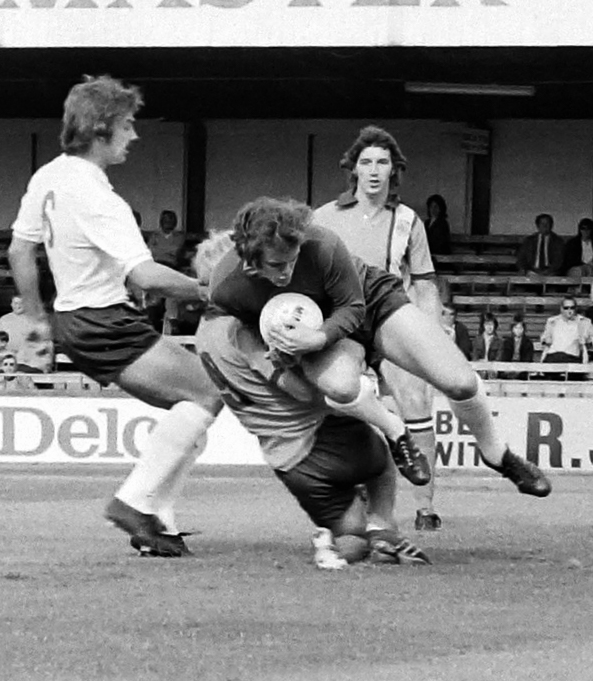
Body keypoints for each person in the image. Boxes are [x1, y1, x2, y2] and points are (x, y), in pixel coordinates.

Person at [208, 198, 551, 502]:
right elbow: (246, 329)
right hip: (322, 329)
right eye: (277, 266)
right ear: (251, 260)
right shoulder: (225, 288)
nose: (288, 271)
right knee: (340, 387)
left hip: (368, 300)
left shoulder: (322, 242)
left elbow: (354, 308)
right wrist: (277, 359)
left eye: (293, 260)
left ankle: (497, 453)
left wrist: (317, 339)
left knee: (459, 381)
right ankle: (395, 431)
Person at [8, 74, 223, 558]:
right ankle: (134, 503)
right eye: (127, 125)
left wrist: (40, 317)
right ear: (102, 128)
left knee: (191, 408)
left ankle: (157, 522)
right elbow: (146, 277)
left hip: (76, 319)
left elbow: (20, 251)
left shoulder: (48, 176)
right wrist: (211, 291)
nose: (134, 134)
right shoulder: (100, 198)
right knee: (208, 392)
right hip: (103, 318)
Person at [193, 303, 428, 569]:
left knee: (353, 535)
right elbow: (301, 392)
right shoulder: (243, 327)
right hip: (321, 431)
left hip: (289, 464)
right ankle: (382, 528)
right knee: (381, 465)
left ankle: (331, 550)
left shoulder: (204, 331)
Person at [312, 125, 448, 530]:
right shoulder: (323, 217)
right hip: (346, 327)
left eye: (383, 163)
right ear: (352, 169)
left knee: (416, 404)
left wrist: (431, 331)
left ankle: (425, 508)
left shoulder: (408, 221)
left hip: (391, 321)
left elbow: (424, 282)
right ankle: (354, 498)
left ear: (394, 171)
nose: (374, 170)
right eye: (366, 162)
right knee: (345, 406)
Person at [0, 294, 55, 373]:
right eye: (15, 303)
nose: (18, 306)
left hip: (30, 362)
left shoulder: (35, 320)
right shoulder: (3, 320)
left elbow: (46, 344)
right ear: (11, 304)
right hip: (9, 361)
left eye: (21, 303)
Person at [539, 298, 593, 372]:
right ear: (561, 309)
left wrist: (589, 342)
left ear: (576, 309)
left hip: (572, 356)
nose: (569, 311)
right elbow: (544, 337)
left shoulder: (584, 322)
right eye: (566, 308)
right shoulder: (552, 321)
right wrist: (545, 340)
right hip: (553, 355)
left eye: (572, 308)